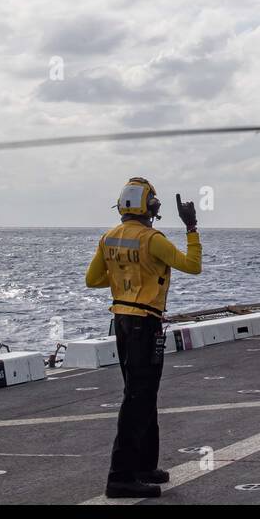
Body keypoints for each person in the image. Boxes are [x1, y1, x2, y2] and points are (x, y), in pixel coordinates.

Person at [85, 176, 202, 499]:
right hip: (145, 324)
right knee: (138, 398)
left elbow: (92, 280)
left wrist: (124, 279)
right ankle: (120, 477)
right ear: (149, 207)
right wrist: (191, 227)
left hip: (121, 321)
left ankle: (144, 466)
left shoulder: (108, 238)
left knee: (142, 394)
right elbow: (193, 266)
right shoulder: (153, 240)